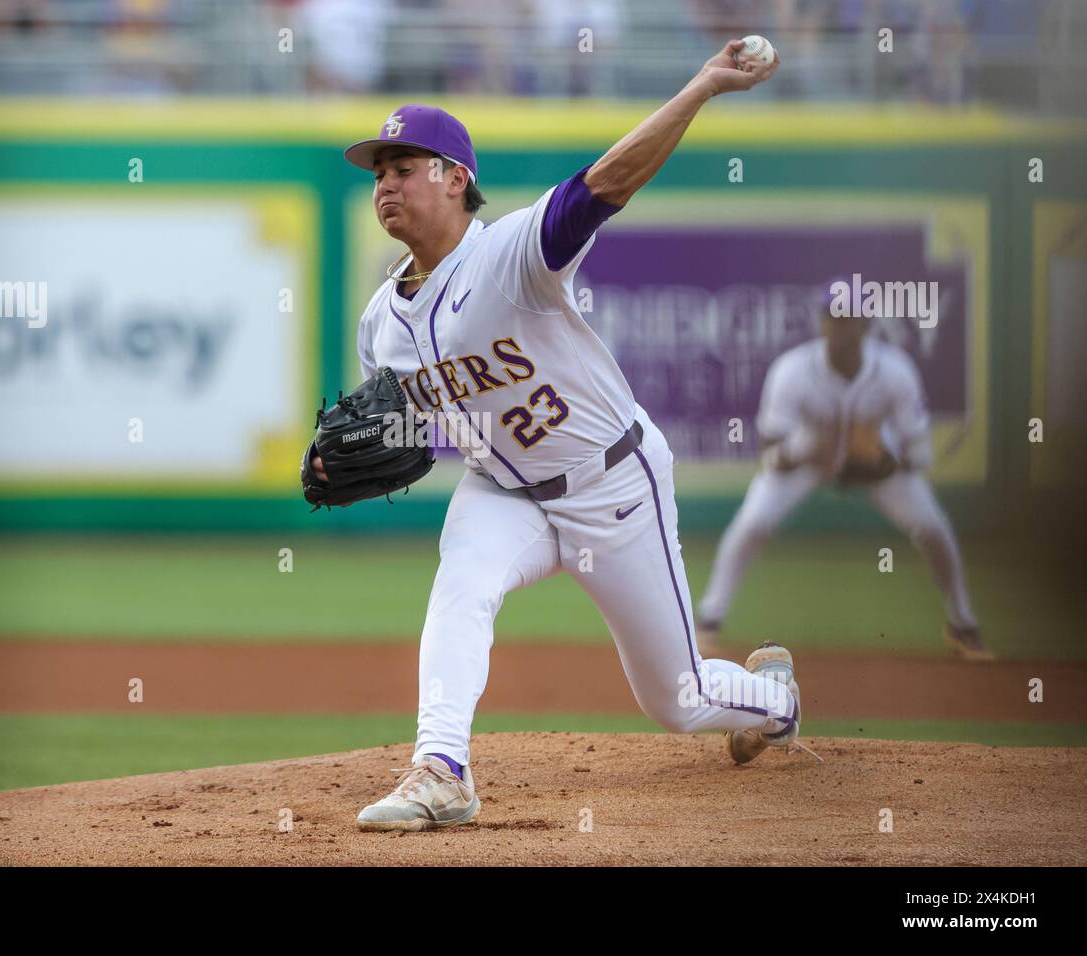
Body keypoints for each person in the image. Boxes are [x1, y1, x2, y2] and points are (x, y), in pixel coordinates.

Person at [314, 41, 796, 833]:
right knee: (461, 585)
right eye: (378, 172)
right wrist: (356, 453)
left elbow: (606, 183)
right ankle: (442, 769)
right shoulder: (380, 323)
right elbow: (417, 424)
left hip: (612, 483)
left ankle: (775, 699)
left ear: (455, 178)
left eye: (405, 166)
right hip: (502, 492)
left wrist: (703, 84)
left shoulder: (510, 255)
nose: (386, 184)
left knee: (678, 699)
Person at [696, 286, 990, 662]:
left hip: (875, 464)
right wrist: (803, 450)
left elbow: (919, 453)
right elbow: (770, 455)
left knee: (932, 527)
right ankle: (710, 619)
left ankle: (962, 623)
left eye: (845, 318)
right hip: (807, 455)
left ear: (866, 325)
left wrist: (882, 461)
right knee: (751, 524)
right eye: (830, 317)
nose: (836, 326)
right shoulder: (793, 369)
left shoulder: (894, 371)